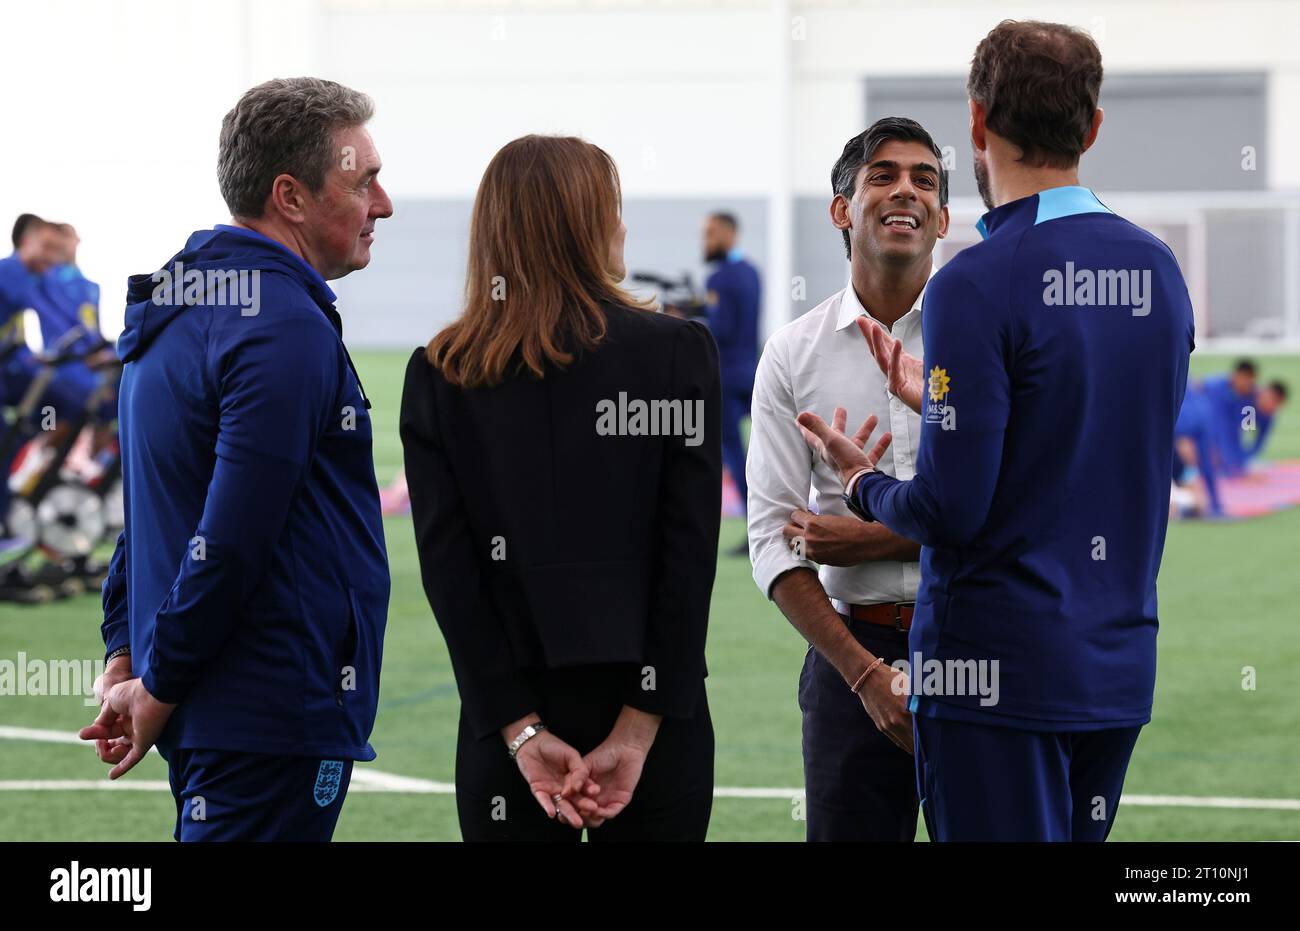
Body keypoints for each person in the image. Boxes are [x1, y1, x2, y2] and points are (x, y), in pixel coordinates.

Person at [800, 20, 1195, 841]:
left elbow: (951, 509)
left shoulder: (976, 281)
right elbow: (1080, 442)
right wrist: (944, 406)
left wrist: (862, 481)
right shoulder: (1158, 268)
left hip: (994, 673)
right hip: (1116, 665)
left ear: (976, 124)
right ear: (1091, 129)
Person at [78, 77, 394, 842]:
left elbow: (147, 512)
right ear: (290, 195)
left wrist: (131, 653)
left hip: (223, 707)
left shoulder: (178, 311)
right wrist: (158, 681)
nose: (383, 204)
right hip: (270, 708)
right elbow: (232, 533)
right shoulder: (281, 324)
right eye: (364, 181)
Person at [401, 134, 720, 842]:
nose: (624, 226)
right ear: (581, 222)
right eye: (613, 208)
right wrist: (638, 731)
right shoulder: (677, 351)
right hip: (657, 717)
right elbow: (689, 557)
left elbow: (450, 573)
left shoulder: (441, 371)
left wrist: (519, 728)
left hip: (508, 726)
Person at [746, 118, 948, 840]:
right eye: (884, 175)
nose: (907, 191)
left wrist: (870, 539)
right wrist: (865, 676)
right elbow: (773, 542)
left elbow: (1017, 521)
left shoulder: (986, 340)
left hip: (976, 646)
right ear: (842, 208)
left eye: (925, 179)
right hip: (845, 661)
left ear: (943, 218)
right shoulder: (792, 353)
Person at [0, 216, 72, 552]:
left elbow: (19, 336)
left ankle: (19, 474)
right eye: (47, 248)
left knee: (59, 403)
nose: (52, 257)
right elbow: (41, 306)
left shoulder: (32, 279)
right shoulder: (11, 274)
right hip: (7, 373)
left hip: (11, 370)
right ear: (24, 242)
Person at [701, 211, 760, 554]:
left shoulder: (719, 279)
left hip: (724, 377)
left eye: (710, 233)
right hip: (750, 372)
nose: (705, 241)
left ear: (728, 233)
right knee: (768, 448)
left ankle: (755, 529)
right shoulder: (752, 273)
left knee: (735, 455)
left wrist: (691, 319)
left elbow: (720, 329)